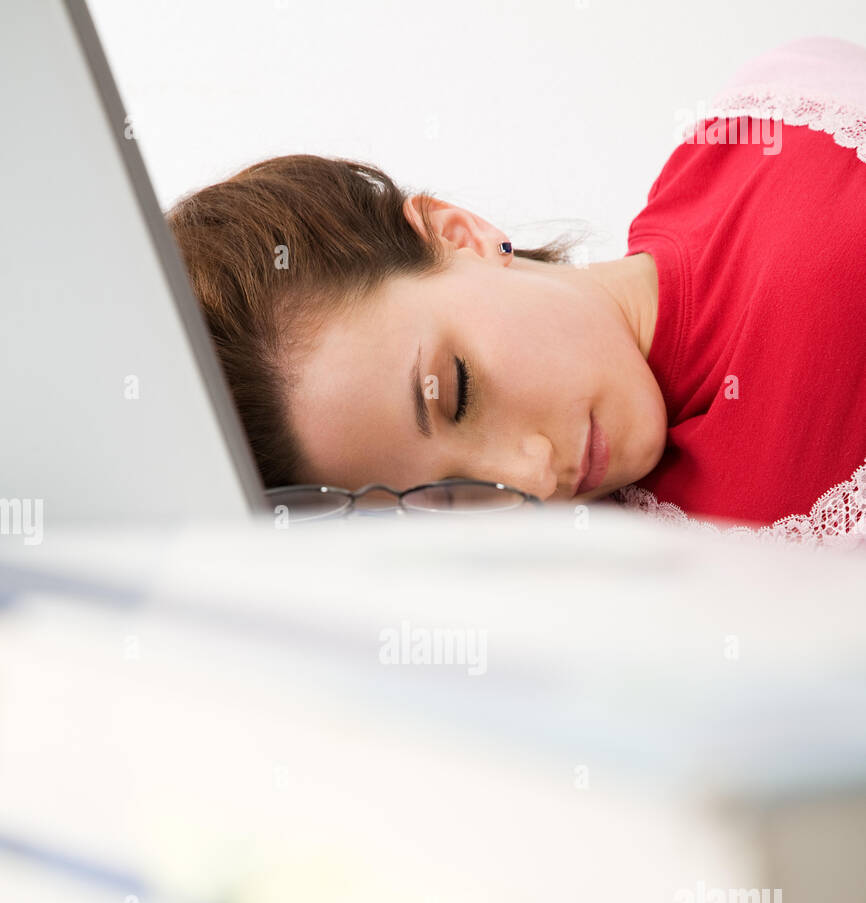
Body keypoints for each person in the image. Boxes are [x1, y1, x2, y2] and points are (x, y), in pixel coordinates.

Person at [168, 36, 866, 540]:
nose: (532, 479)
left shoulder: (786, 129)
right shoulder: (626, 571)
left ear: (460, 234)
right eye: (450, 496)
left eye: (459, 392)